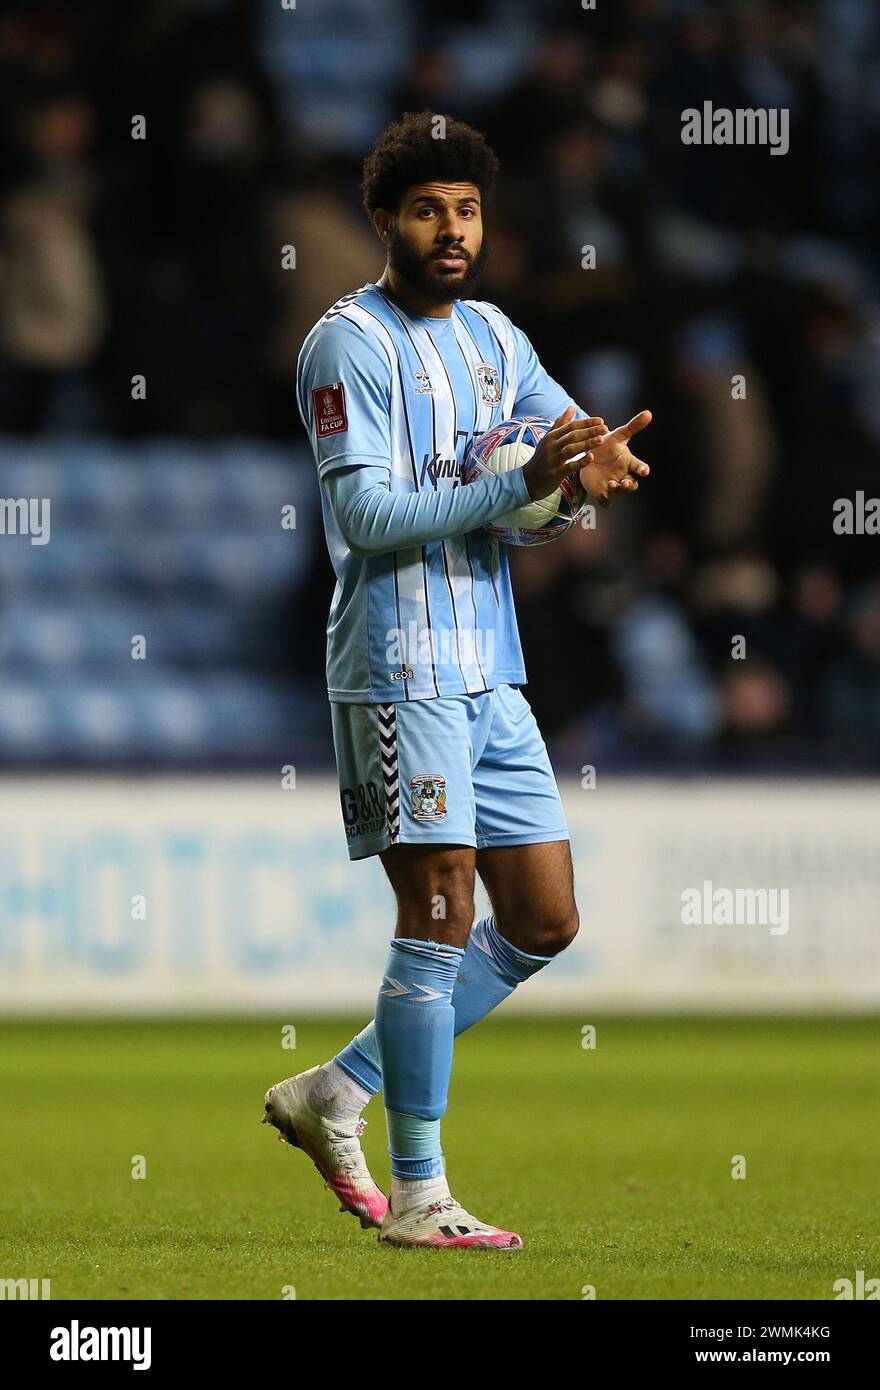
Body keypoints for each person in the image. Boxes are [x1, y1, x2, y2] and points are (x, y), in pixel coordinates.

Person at [263, 111, 651, 1249]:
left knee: (541, 919)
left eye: (468, 210)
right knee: (438, 914)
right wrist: (523, 482)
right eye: (428, 209)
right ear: (383, 220)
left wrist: (585, 478)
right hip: (396, 671)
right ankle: (421, 1196)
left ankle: (336, 1088)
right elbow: (367, 517)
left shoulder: (494, 335)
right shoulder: (347, 344)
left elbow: (545, 471)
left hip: (491, 670)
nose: (452, 229)